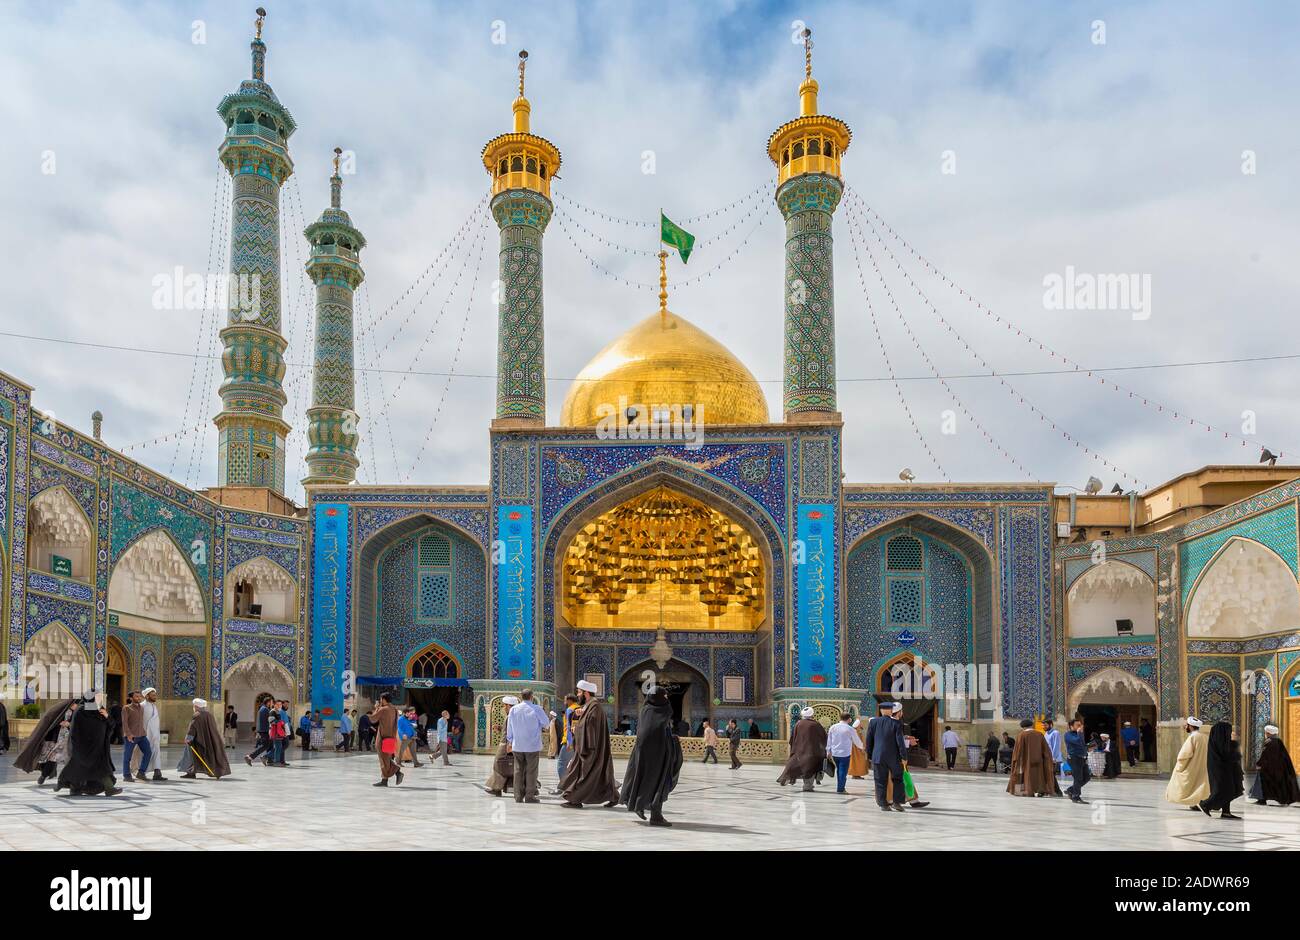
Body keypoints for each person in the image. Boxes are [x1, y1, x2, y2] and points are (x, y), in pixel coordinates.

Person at [619, 684, 683, 826]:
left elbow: (654, 731)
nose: (667, 698)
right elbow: (658, 733)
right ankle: (655, 816)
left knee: (644, 779)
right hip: (659, 754)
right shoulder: (663, 711)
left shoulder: (646, 710)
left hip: (642, 752)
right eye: (665, 695)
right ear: (659, 697)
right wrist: (672, 739)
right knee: (659, 781)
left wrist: (671, 737)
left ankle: (641, 806)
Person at [559, 679, 620, 809]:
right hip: (586, 746)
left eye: (579, 692)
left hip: (590, 748)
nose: (578, 695)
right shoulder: (589, 705)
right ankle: (614, 796)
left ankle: (574, 800)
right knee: (597, 776)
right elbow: (586, 722)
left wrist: (577, 729)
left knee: (584, 775)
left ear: (586, 693)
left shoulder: (595, 706)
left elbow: (591, 726)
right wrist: (578, 715)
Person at [56, 695, 121, 796]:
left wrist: (107, 716)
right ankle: (75, 789)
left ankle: (109, 788)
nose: (100, 700)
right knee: (78, 767)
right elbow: (75, 728)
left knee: (101, 767)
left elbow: (111, 725)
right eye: (97, 697)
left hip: (98, 747)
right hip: (82, 746)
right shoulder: (80, 710)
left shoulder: (100, 710)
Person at [13, 697, 76, 784]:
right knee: (52, 758)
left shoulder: (77, 712)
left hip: (68, 740)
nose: (76, 706)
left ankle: (67, 779)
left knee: (68, 760)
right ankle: (44, 775)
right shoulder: (62, 710)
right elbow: (52, 719)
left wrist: (69, 724)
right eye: (75, 704)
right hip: (57, 739)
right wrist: (60, 723)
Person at [507, 690, 551, 802]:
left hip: (518, 745)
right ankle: (529, 796)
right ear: (532, 697)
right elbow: (546, 723)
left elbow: (509, 727)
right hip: (532, 746)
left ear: (521, 697)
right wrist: (539, 724)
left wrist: (510, 741)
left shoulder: (513, 709)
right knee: (531, 771)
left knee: (518, 770)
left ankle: (517, 796)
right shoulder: (536, 709)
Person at [866, 702, 908, 811]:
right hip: (894, 757)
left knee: (880, 780)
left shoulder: (873, 722)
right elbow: (900, 742)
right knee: (898, 779)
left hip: (878, 756)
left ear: (881, 711)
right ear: (890, 711)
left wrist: (870, 755)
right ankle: (897, 803)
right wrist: (904, 757)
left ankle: (883, 804)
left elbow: (869, 741)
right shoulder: (896, 723)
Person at [1199, 722, 1244, 819]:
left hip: (1224, 769)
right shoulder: (1220, 744)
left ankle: (1226, 812)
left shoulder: (1222, 743)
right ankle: (1206, 804)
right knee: (1222, 790)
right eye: (1228, 732)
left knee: (1229, 790)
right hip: (1220, 769)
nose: (1230, 733)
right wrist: (1235, 744)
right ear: (1222, 733)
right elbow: (1229, 754)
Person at [178, 698, 231, 779]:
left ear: (196, 706)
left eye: (194, 706)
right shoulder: (209, 715)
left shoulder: (197, 715)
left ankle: (190, 773)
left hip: (199, 741)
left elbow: (193, 728)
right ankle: (215, 772)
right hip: (211, 740)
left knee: (190, 756)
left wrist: (188, 738)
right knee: (210, 757)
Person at [778, 707, 828, 793]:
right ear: (812, 715)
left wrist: (794, 747)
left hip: (799, 750)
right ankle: (808, 786)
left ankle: (789, 778)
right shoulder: (816, 725)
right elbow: (824, 738)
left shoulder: (798, 724)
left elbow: (793, 738)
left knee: (800, 765)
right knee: (811, 768)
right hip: (813, 751)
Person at [1165, 717, 1210, 810]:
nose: (1185, 726)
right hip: (1203, 766)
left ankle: (1194, 803)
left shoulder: (1193, 737)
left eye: (1187, 725)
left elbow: (1184, 755)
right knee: (1198, 785)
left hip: (1191, 766)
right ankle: (1196, 803)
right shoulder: (1205, 737)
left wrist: (1180, 767)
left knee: (1187, 784)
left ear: (1191, 726)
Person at [1007, 718, 1058, 797]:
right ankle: (1040, 791)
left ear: (1023, 727)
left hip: (1025, 762)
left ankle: (1020, 791)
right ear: (1031, 725)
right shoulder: (1039, 734)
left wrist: (1016, 760)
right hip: (1039, 761)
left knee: (1022, 776)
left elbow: (1018, 750)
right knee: (1038, 776)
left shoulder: (1021, 735)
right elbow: (1046, 750)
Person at [1251, 724, 1299, 806]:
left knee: (1262, 783)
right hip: (1279, 768)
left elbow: (1265, 755)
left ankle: (1262, 799)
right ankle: (1283, 800)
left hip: (1268, 768)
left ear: (1269, 733)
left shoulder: (1269, 742)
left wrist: (1259, 763)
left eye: (1266, 732)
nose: (1265, 734)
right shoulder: (1278, 741)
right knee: (1280, 784)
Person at [485, 696, 517, 796]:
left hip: (506, 745)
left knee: (498, 764)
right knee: (507, 766)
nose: (504, 707)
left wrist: (509, 745)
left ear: (508, 706)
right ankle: (501, 788)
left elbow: (511, 732)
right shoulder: (513, 716)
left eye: (505, 705)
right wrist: (499, 728)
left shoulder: (511, 716)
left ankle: (496, 788)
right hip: (510, 744)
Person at [826, 712, 865, 793]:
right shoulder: (850, 729)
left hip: (835, 752)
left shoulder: (833, 727)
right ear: (849, 719)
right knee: (843, 771)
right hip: (845, 753)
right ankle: (840, 789)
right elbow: (856, 740)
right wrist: (862, 747)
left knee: (839, 770)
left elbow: (829, 740)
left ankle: (840, 786)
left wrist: (828, 751)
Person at [369, 693, 403, 787]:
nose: (380, 701)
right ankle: (393, 774)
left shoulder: (383, 709)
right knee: (386, 758)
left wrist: (376, 708)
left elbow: (373, 719)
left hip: (383, 737)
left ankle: (391, 774)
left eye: (380, 699)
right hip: (391, 737)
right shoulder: (394, 709)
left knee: (383, 759)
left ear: (384, 699)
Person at [120, 691, 152, 784]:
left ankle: (141, 773)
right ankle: (126, 775)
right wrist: (128, 734)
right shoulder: (126, 708)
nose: (139, 698)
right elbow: (124, 723)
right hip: (131, 736)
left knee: (148, 752)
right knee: (127, 756)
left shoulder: (141, 708)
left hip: (142, 735)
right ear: (131, 698)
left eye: (139, 696)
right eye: (136, 696)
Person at [1064, 717, 1092, 804]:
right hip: (1074, 759)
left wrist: (1088, 748)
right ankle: (1076, 796)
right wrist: (1080, 732)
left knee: (1087, 777)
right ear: (1071, 726)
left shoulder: (1079, 734)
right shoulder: (1068, 735)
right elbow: (1077, 741)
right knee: (1078, 778)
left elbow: (1081, 744)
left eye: (1080, 725)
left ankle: (1070, 790)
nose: (1080, 726)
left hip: (1082, 758)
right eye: (1078, 725)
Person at [140, 687, 164, 780]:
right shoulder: (142, 706)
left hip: (155, 735)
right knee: (145, 753)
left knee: (156, 752)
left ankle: (157, 773)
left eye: (155, 695)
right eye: (153, 695)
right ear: (147, 696)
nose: (155, 696)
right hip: (145, 735)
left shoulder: (154, 706)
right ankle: (141, 772)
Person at [244, 695, 275, 767]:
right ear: (268, 702)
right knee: (266, 746)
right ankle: (250, 757)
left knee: (270, 745)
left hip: (263, 730)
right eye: (271, 702)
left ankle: (268, 759)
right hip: (265, 731)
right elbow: (269, 720)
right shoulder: (265, 710)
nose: (272, 704)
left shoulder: (262, 708)